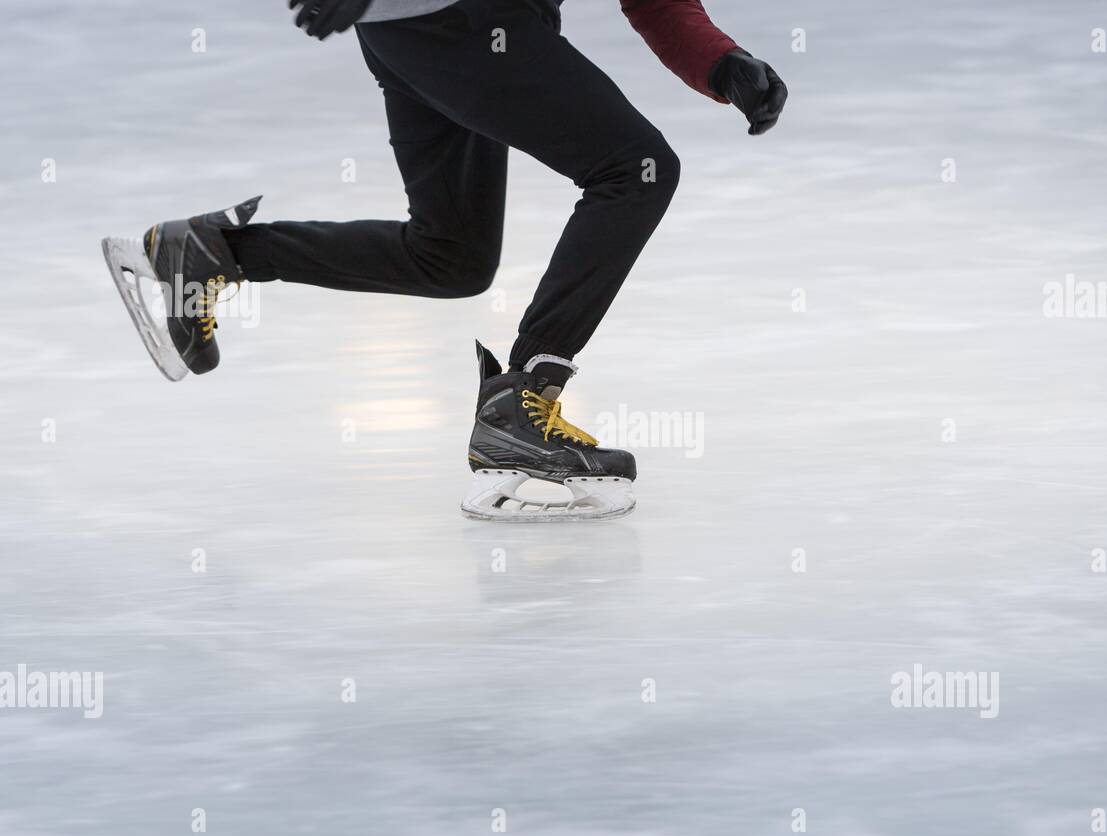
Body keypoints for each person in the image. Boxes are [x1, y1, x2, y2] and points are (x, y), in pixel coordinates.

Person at [113, 0, 787, 520]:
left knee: (451, 255)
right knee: (636, 170)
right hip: (457, 22)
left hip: (436, 28)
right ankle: (520, 405)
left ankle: (210, 254)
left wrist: (721, 63)